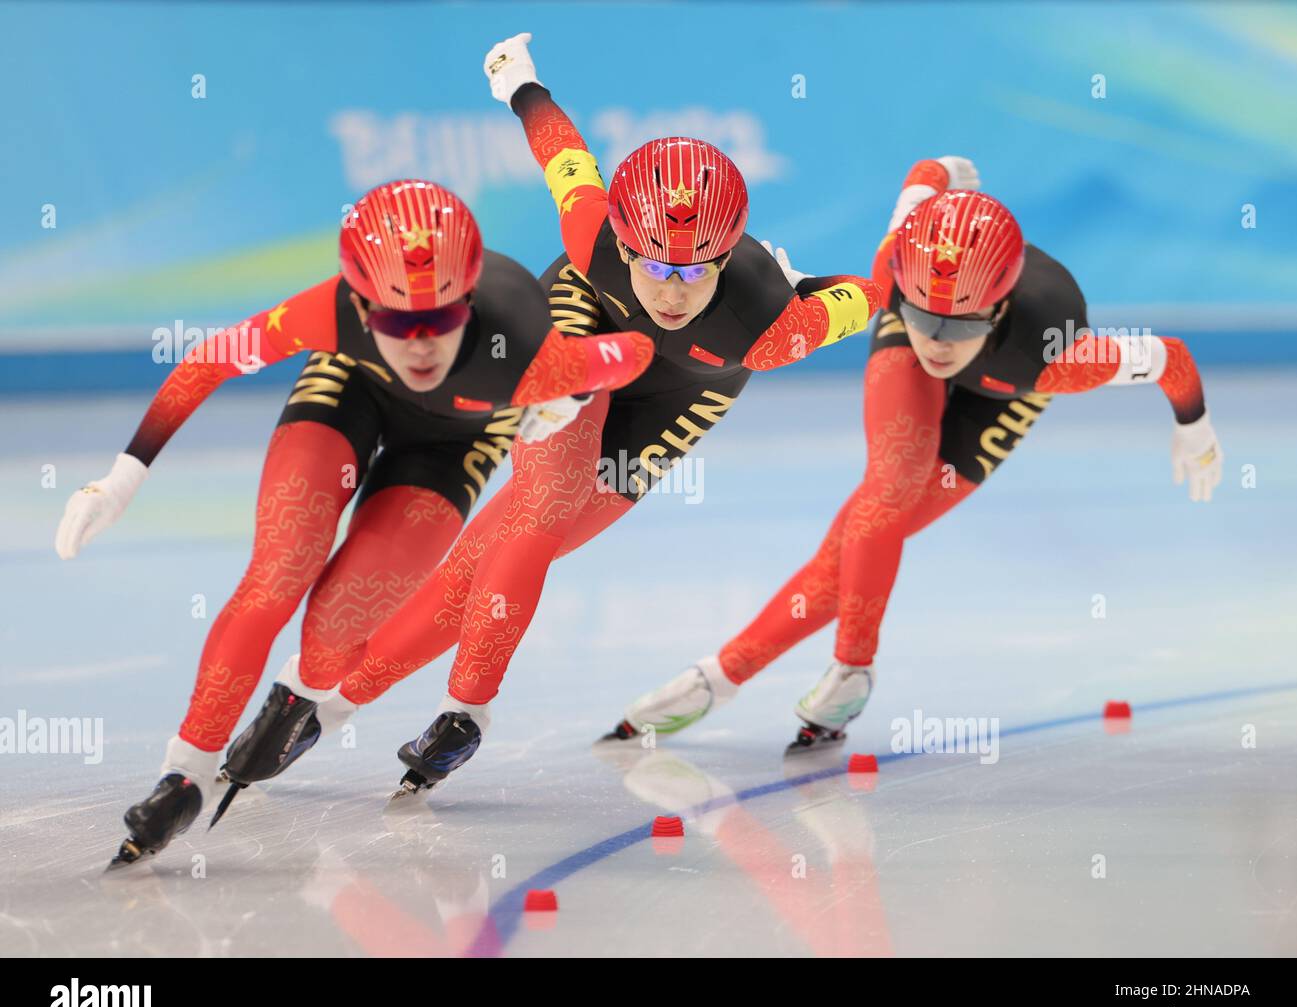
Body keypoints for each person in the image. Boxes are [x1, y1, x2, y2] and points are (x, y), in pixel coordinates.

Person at [222, 31, 886, 799]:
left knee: (493, 556)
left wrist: (815, 281)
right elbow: (564, 157)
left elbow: (872, 294)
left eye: (693, 272)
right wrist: (520, 84)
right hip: (584, 324)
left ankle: (324, 704)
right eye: (654, 264)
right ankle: (468, 710)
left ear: (728, 254)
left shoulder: (774, 329)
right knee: (540, 506)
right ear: (625, 246)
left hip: (684, 391)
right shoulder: (594, 237)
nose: (670, 290)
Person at [58, 179, 653, 866]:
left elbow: (633, 351)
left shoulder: (526, 347)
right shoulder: (332, 311)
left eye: (444, 319)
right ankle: (183, 773)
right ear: (362, 301)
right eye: (398, 323)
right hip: (350, 394)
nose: (422, 346)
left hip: (451, 444)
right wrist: (124, 475)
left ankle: (299, 696)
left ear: (469, 301)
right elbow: (207, 362)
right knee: (280, 570)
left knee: (337, 626)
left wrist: (574, 390)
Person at [605, 158, 1224, 752]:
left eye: (959, 327)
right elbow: (923, 179)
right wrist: (944, 171)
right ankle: (826, 671)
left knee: (868, 530)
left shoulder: (1058, 358)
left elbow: (1172, 357)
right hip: (941, 328)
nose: (937, 342)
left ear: (999, 309)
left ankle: (738, 675)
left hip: (1008, 385)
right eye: (925, 319)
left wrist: (1194, 426)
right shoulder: (900, 265)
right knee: (887, 492)